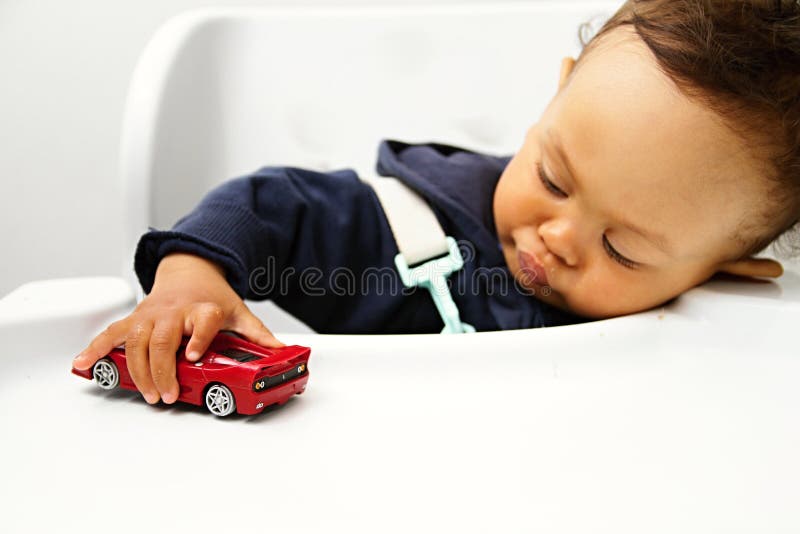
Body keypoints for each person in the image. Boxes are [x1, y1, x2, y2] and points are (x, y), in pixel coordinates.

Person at [73, 0, 799, 407]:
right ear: (556, 96)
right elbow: (267, 205)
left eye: (624, 249)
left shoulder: (704, 346)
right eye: (552, 177)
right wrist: (193, 278)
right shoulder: (392, 228)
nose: (557, 236)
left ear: (725, 268)